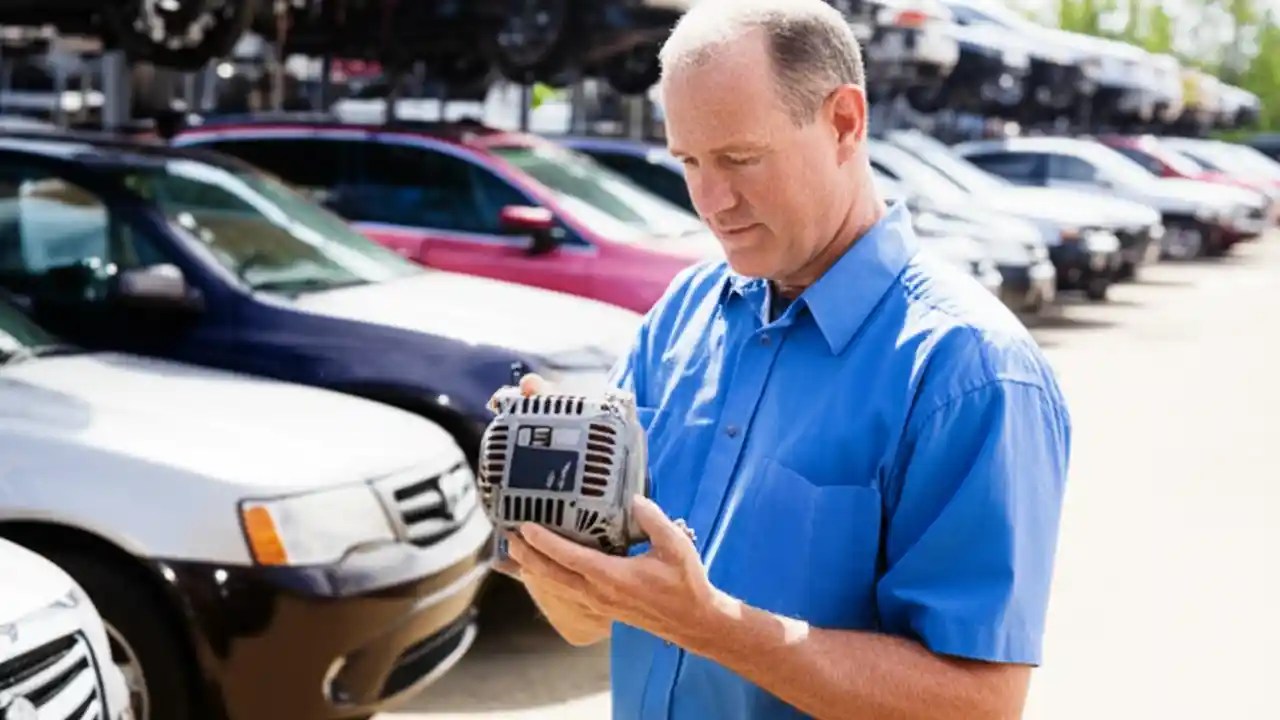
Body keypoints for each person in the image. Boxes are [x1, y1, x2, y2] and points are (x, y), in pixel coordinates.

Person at [497, 0, 1072, 718]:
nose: (712, 200)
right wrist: (555, 540)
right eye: (689, 162)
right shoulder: (681, 315)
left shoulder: (971, 370)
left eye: (740, 158)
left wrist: (711, 625)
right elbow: (584, 621)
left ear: (843, 122)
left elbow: (976, 706)